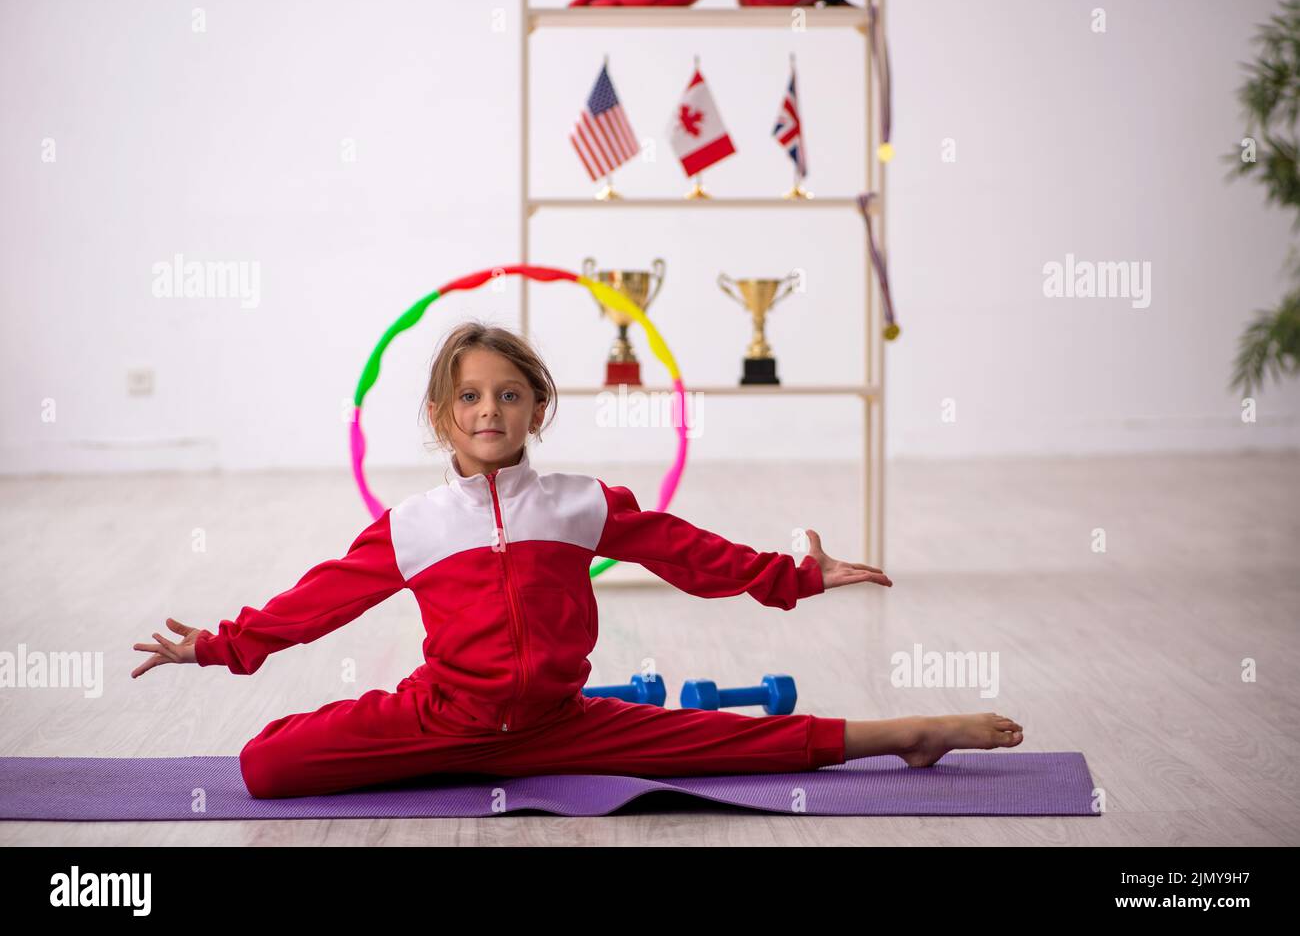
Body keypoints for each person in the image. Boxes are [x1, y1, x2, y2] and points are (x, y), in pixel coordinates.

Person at [132, 321, 1023, 799]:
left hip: (562, 722)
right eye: (471, 397)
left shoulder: (578, 503)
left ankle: (909, 734)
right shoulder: (414, 524)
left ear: (537, 410)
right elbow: (316, 602)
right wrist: (215, 645)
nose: (491, 411)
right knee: (263, 768)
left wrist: (791, 574)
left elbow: (683, 552)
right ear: (443, 417)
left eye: (510, 395)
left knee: (727, 744)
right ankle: (457, 761)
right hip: (444, 718)